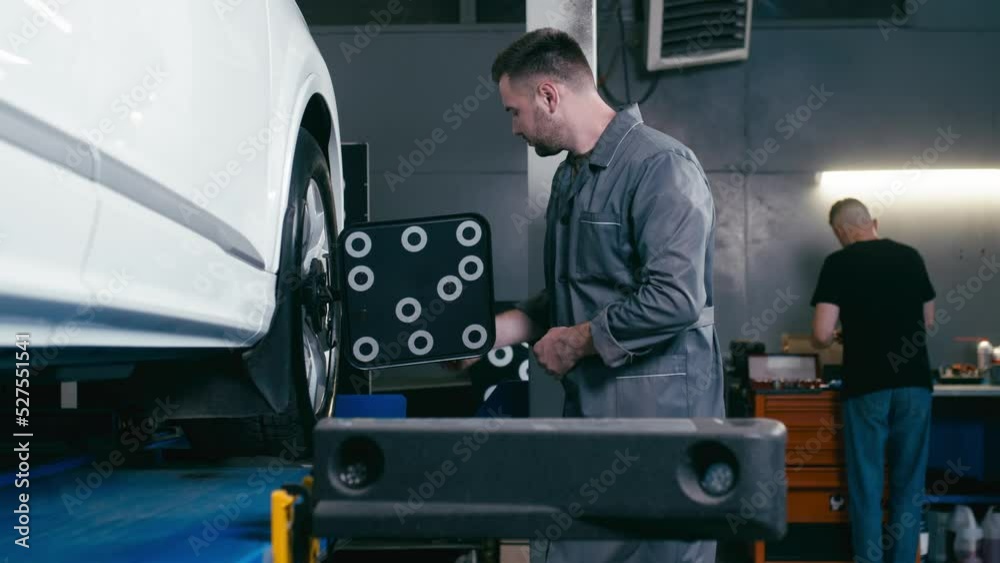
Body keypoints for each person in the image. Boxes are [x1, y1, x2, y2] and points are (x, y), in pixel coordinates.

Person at [449, 28, 724, 563]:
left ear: (549, 95)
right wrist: (488, 335)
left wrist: (575, 342)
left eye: (514, 112)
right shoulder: (571, 178)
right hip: (593, 419)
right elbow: (572, 293)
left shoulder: (660, 166)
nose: (514, 128)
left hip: (661, 429)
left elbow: (675, 297)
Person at [810, 198, 936, 563]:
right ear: (872, 222)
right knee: (908, 486)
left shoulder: (838, 263)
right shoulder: (910, 256)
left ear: (841, 231)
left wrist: (839, 335)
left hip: (867, 386)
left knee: (866, 485)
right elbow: (928, 321)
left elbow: (820, 334)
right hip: (914, 384)